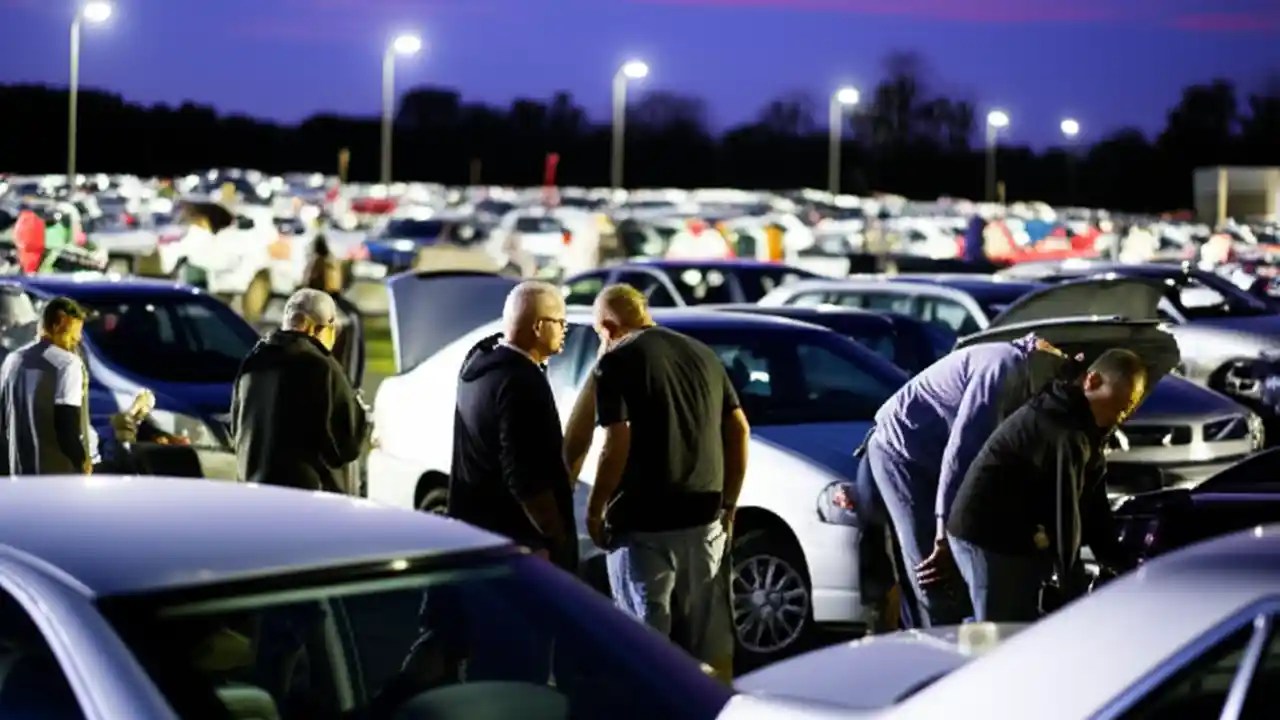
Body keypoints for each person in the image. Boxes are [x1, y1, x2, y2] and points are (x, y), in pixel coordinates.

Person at [585, 284, 750, 682]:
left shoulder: (615, 360)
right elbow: (739, 429)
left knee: (644, 644)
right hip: (705, 516)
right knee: (707, 646)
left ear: (607, 328)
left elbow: (616, 438)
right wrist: (729, 501)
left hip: (643, 526)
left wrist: (595, 508)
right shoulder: (703, 354)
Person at [866, 333, 1071, 628]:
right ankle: (936, 654)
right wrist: (942, 536)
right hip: (902, 453)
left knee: (958, 566)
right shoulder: (1004, 366)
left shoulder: (1033, 381)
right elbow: (961, 454)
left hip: (935, 453)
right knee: (932, 571)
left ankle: (959, 640)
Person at [946, 349, 1146, 622]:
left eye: (1127, 409)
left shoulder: (1087, 427)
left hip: (1018, 534)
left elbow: (1094, 505)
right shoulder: (1061, 429)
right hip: (985, 532)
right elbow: (1064, 515)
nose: (1120, 416)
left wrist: (1119, 563)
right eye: (1118, 407)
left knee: (1022, 623)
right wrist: (1072, 586)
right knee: (999, 631)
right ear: (1092, 381)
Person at [449, 281, 576, 572]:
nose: (564, 330)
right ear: (539, 326)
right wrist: (551, 535)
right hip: (517, 544)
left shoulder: (479, 365)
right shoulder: (521, 381)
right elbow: (524, 473)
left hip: (476, 532)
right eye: (560, 322)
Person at [232, 289, 367, 492]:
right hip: (302, 498)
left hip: (254, 492)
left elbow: (237, 428)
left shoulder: (254, 360)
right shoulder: (320, 366)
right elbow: (344, 445)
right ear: (321, 327)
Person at [0, 297, 91, 474]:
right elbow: (67, 424)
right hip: (57, 477)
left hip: (18, 475)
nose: (77, 340)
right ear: (60, 322)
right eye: (74, 334)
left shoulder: (12, 360)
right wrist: (81, 461)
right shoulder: (67, 364)